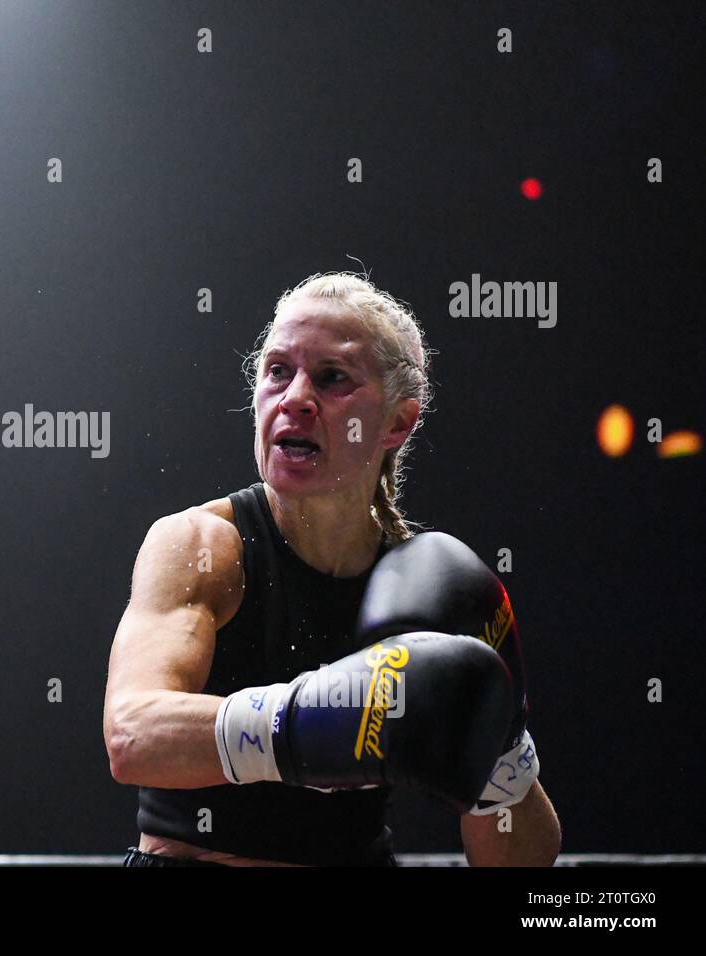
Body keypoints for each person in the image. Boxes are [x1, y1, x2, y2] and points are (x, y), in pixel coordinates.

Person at [103, 272, 560, 866]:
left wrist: (504, 750)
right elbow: (133, 735)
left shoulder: (426, 590)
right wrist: (309, 723)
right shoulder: (203, 545)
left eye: (332, 378)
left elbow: (519, 865)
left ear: (398, 422)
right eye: (277, 371)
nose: (294, 397)